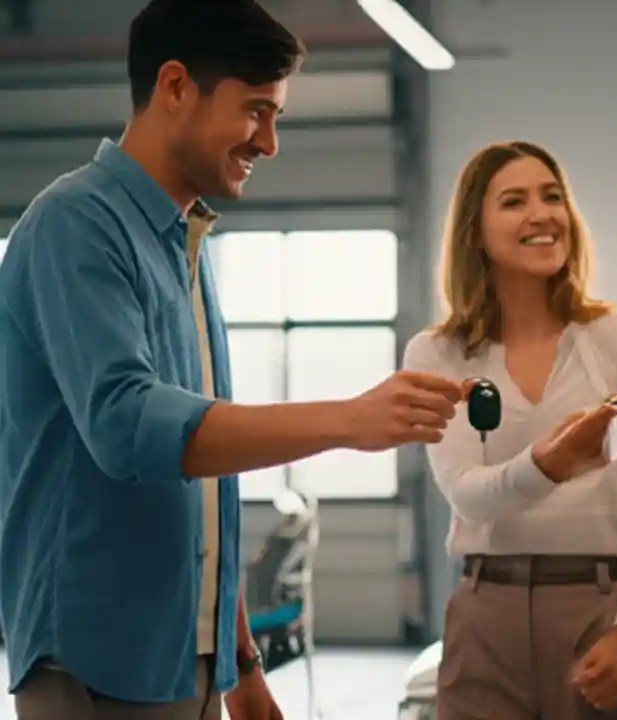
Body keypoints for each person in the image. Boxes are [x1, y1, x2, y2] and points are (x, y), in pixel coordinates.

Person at [0, 1, 464, 718]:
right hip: (98, 656)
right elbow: (129, 426)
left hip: (187, 655)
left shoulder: (183, 241)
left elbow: (201, 477)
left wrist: (239, 657)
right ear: (175, 86)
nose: (269, 143)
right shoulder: (76, 225)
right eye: (256, 111)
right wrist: (348, 420)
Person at [402, 140, 617, 719]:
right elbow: (466, 494)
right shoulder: (435, 353)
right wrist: (552, 462)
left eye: (553, 197)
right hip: (486, 617)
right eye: (514, 201)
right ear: (475, 230)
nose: (542, 214)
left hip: (602, 610)